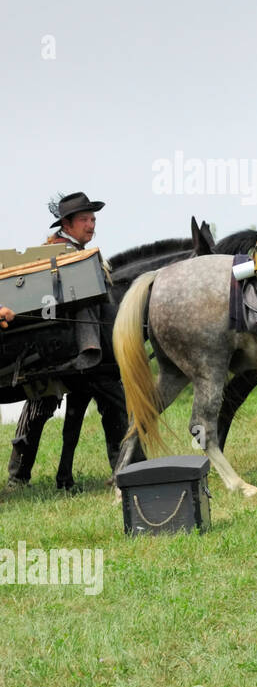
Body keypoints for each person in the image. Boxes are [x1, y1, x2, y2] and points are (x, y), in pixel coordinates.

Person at [7, 193, 135, 488]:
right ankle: (18, 477)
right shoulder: (57, 253)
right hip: (55, 349)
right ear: (67, 223)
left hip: (80, 354)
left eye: (93, 220)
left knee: (110, 402)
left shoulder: (79, 252)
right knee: (40, 407)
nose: (91, 225)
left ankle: (122, 472)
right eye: (85, 220)